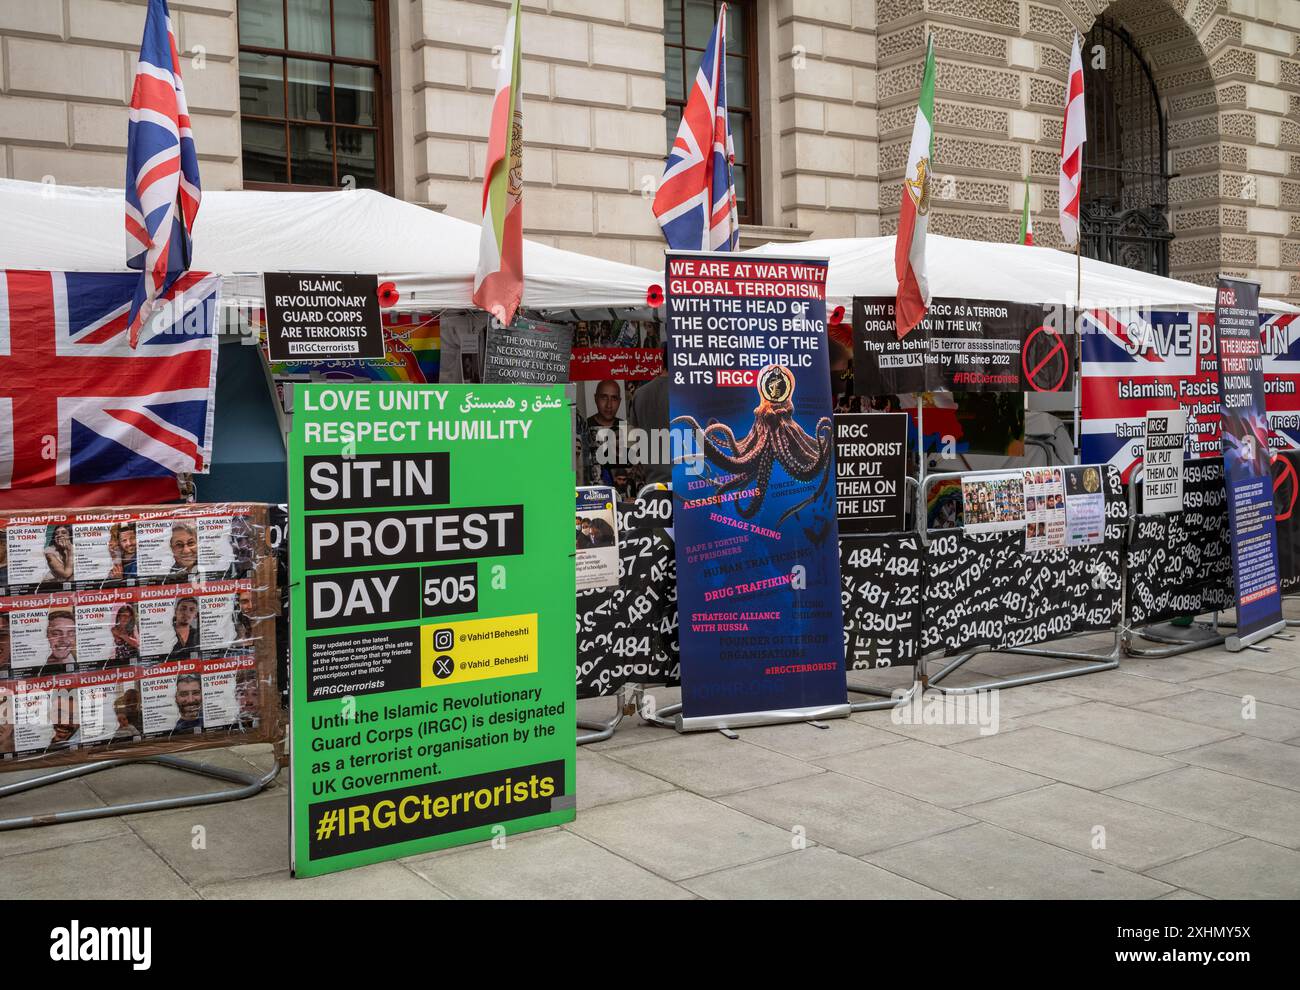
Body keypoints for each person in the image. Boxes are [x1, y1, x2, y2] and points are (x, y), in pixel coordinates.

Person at [628, 349, 671, 487]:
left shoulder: (639, 394)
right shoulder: (690, 393)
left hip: (654, 487)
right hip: (689, 487)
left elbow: (632, 442)